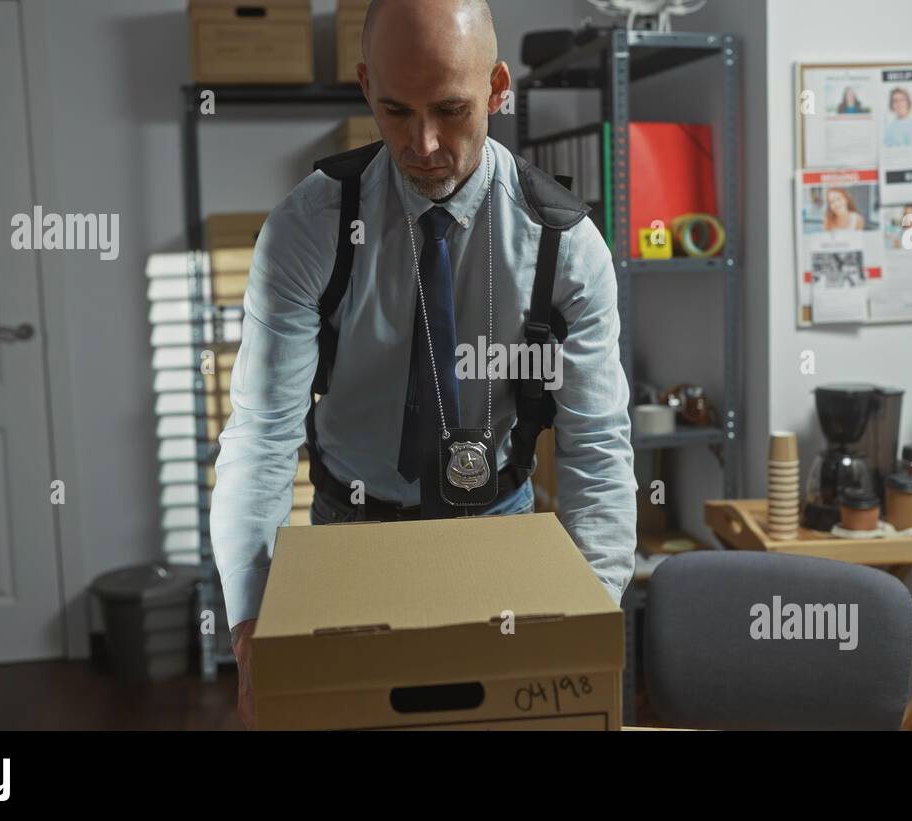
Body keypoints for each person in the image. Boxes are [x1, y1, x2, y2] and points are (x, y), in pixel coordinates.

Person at [209, 0, 638, 729]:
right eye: (396, 111)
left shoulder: (566, 248)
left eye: (451, 108)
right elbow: (260, 437)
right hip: (349, 535)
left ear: (499, 87)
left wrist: (588, 618)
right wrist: (251, 627)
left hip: (496, 530)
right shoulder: (307, 230)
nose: (425, 143)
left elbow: (596, 445)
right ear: (366, 85)